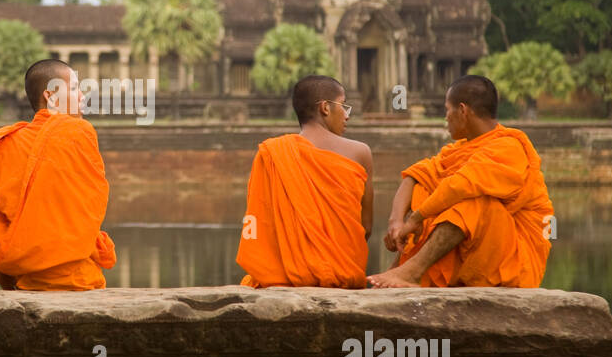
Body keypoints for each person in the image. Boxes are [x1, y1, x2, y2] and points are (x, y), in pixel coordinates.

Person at [367, 75, 553, 288]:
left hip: (515, 259)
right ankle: (400, 270)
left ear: (463, 111)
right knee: (423, 190)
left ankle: (412, 272)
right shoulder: (459, 149)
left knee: (473, 203)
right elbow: (415, 175)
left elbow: (460, 185)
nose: (445, 117)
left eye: (448, 110)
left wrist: (416, 219)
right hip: (478, 253)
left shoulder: (509, 148)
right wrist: (396, 221)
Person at [0, 58, 116, 291]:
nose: (82, 96)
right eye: (75, 88)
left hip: (23, 280)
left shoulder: (1, 144)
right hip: (79, 281)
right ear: (51, 96)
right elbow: (93, 205)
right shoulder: (79, 132)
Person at [236, 75, 373, 288]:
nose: (347, 115)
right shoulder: (360, 152)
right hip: (343, 274)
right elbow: (366, 227)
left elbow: (258, 222)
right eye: (343, 105)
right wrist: (331, 258)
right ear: (325, 108)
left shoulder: (273, 154)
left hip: (282, 279)